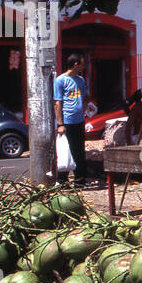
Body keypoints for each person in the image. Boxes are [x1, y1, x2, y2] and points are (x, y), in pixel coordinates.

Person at [54, 54, 96, 186]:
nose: (84, 66)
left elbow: (84, 98)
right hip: (67, 121)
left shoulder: (80, 80)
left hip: (79, 120)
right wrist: (60, 123)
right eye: (82, 63)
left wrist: (84, 110)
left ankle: (80, 179)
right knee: (66, 150)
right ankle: (62, 179)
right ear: (76, 64)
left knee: (79, 150)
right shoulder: (60, 80)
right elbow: (57, 103)